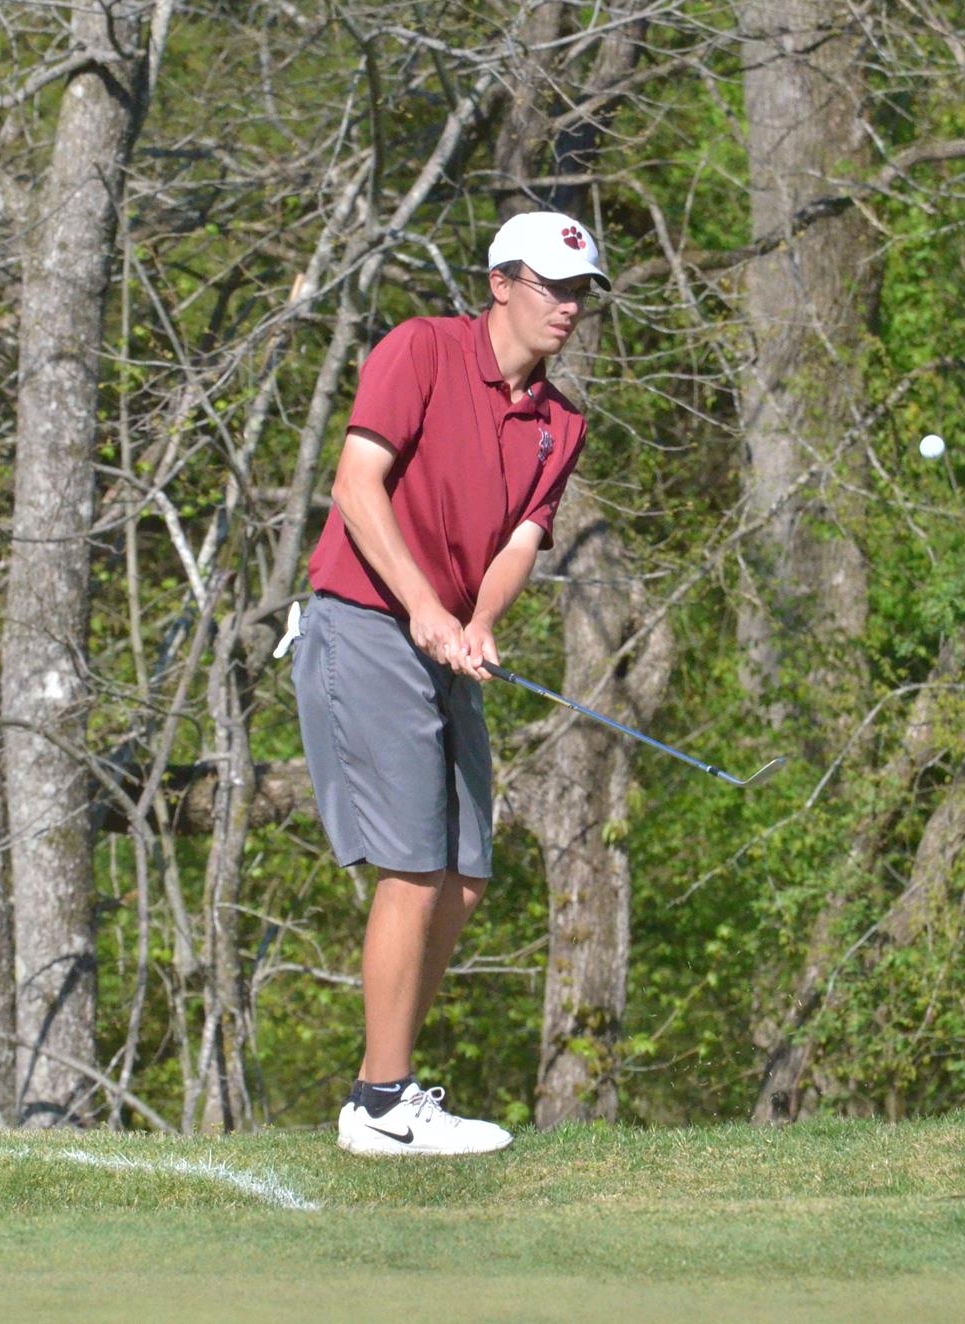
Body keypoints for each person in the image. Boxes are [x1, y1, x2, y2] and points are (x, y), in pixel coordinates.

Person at [288, 211, 610, 1155]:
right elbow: (356, 485)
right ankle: (384, 1105)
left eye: (582, 291)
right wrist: (427, 608)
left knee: (465, 873)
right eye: (554, 286)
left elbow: (519, 542)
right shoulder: (420, 349)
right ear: (502, 282)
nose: (570, 305)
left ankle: (377, 1095)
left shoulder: (561, 422)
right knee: (417, 864)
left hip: (442, 639)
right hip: (364, 619)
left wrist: (475, 623)